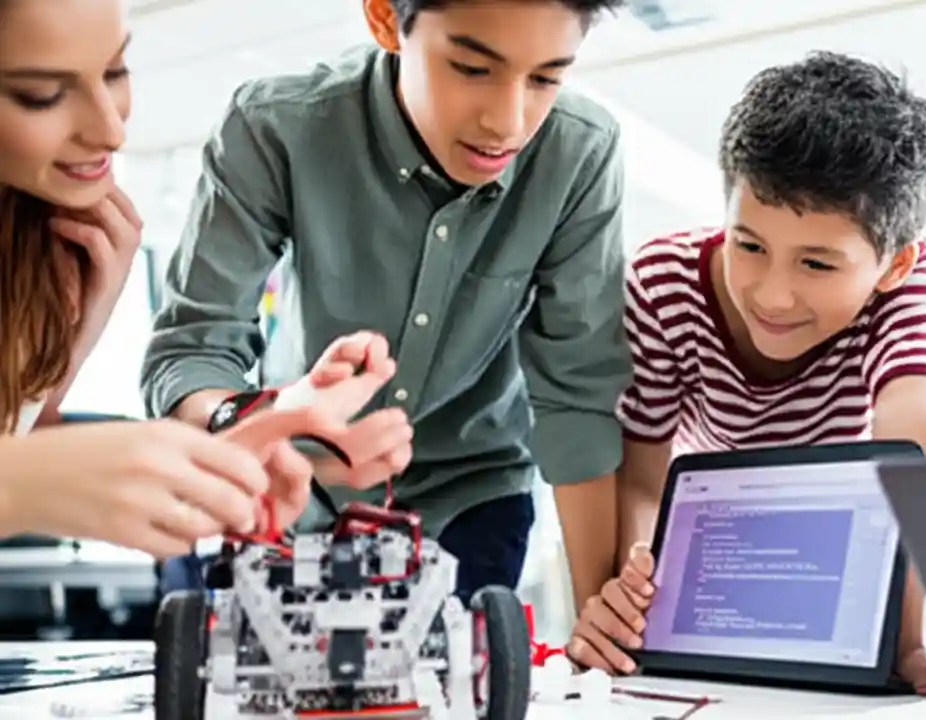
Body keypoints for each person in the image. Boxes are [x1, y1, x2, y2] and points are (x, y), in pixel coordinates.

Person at [141, 0, 631, 603]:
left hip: (472, 498)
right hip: (300, 488)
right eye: (472, 69)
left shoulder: (580, 153)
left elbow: (577, 396)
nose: (510, 122)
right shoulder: (276, 126)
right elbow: (190, 351)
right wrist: (259, 425)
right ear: (383, 19)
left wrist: (595, 621)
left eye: (546, 77)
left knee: (458, 688)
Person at [567, 52, 926, 696]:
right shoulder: (664, 282)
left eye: (817, 265)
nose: (772, 296)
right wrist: (636, 600)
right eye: (749, 246)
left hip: (851, 530)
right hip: (721, 531)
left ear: (892, 267)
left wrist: (909, 645)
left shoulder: (913, 287)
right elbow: (643, 479)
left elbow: (911, 441)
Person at [0, 0, 409, 556]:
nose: (110, 129)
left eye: (116, 71)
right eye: (40, 96)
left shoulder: (52, 246)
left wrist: (258, 435)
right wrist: (29, 481)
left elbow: (16, 436)